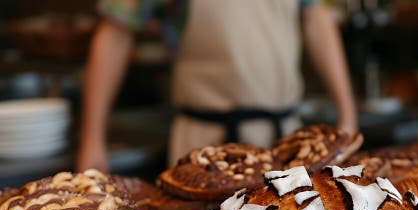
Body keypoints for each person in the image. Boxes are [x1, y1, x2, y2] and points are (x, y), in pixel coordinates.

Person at [77, 0, 358, 172]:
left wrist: (347, 115)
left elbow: (317, 20)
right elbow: (114, 34)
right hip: (204, 147)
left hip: (286, 143)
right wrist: (92, 140)